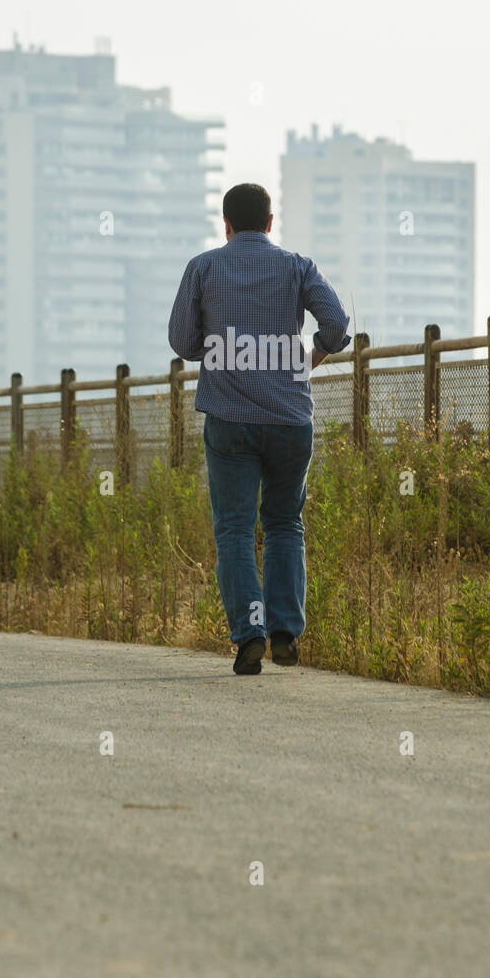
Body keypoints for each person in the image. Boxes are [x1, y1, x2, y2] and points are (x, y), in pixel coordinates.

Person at [167, 183, 351, 675]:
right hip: (291, 420)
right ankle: (286, 632)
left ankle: (250, 633)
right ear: (271, 223)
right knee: (285, 523)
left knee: (234, 529)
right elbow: (336, 324)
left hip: (230, 422)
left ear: (224, 224)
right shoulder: (299, 267)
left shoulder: (202, 268)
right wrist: (308, 359)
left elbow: (183, 342)